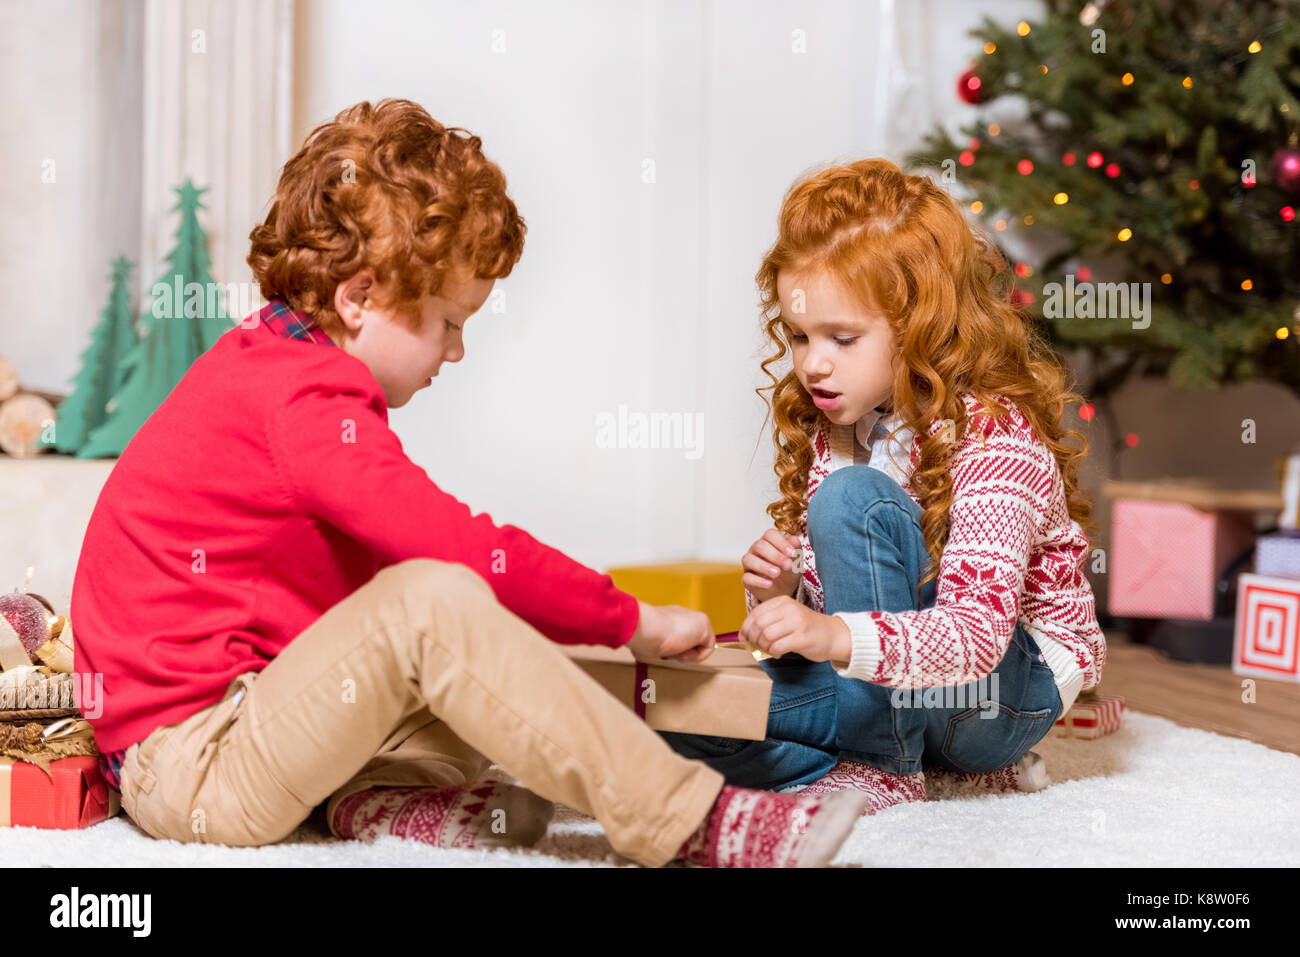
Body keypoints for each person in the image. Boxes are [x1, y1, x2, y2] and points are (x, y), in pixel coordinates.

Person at [71, 99, 871, 868]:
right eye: (450, 323)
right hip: (195, 763)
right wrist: (626, 619)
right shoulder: (301, 398)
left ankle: (374, 800)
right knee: (439, 602)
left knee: (491, 654)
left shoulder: (277, 369)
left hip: (243, 715)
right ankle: (687, 817)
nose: (455, 352)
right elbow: (450, 549)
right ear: (358, 298)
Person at [661, 158, 1106, 813]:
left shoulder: (993, 435)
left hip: (996, 695)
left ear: (921, 324)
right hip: (890, 688)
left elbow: (978, 638)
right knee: (681, 711)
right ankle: (859, 756)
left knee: (852, 501)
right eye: (800, 335)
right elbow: (858, 591)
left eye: (843, 337)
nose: (813, 362)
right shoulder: (839, 423)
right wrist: (783, 593)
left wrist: (830, 637)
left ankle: (885, 763)